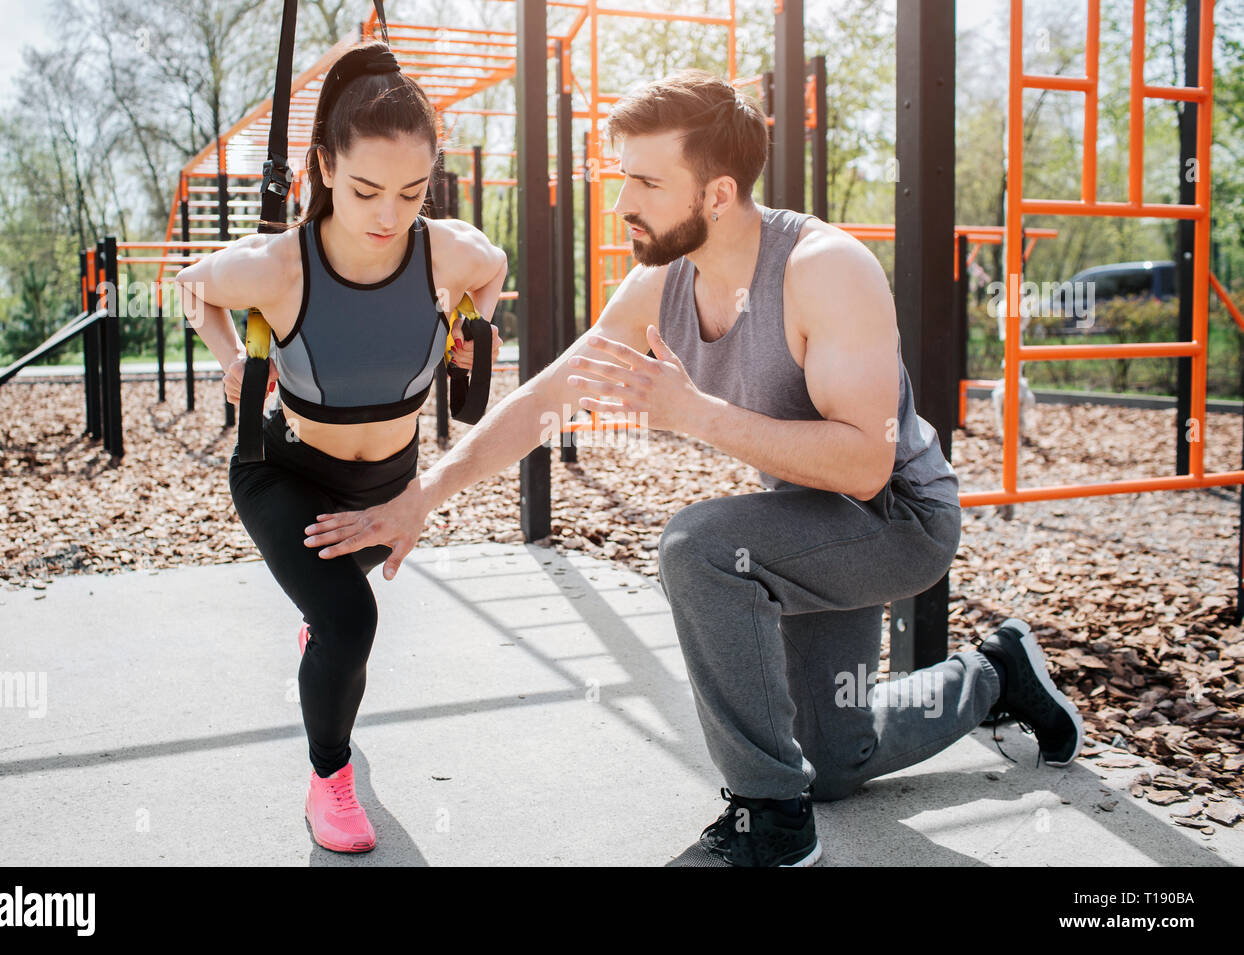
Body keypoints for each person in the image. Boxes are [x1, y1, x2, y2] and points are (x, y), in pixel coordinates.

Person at [301, 69, 1082, 867]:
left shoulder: (824, 269)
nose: (621, 202)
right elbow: (550, 394)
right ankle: (996, 674)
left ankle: (768, 820)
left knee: (696, 548)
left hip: (897, 522)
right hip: (810, 517)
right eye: (621, 176)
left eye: (644, 181)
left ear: (716, 194)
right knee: (836, 762)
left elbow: (866, 464)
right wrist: (421, 496)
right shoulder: (660, 282)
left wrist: (692, 413)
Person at [173, 39, 505, 854]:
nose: (388, 215)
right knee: (350, 622)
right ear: (323, 167)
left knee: (331, 615)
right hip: (284, 473)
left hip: (387, 486)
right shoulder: (279, 267)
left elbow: (492, 268)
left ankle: (317, 631)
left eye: (411, 191)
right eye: (363, 190)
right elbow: (190, 285)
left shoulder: (447, 252)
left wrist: (467, 330)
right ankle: (329, 782)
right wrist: (230, 364)